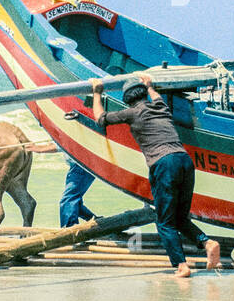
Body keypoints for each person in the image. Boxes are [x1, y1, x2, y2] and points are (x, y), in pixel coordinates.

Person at [73, 74, 220, 277]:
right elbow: (156, 95)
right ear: (144, 94)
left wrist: (97, 93)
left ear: (127, 100)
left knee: (164, 221)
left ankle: (181, 266)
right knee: (178, 218)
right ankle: (207, 242)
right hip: (185, 161)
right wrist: (149, 86)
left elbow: (100, 119)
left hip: (164, 164)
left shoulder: (131, 113)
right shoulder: (160, 107)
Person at [59, 158, 97, 227]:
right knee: (75, 203)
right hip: (80, 166)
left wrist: (36, 149)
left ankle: (70, 229)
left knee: (68, 200)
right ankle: (95, 222)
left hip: (81, 166)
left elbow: (58, 147)